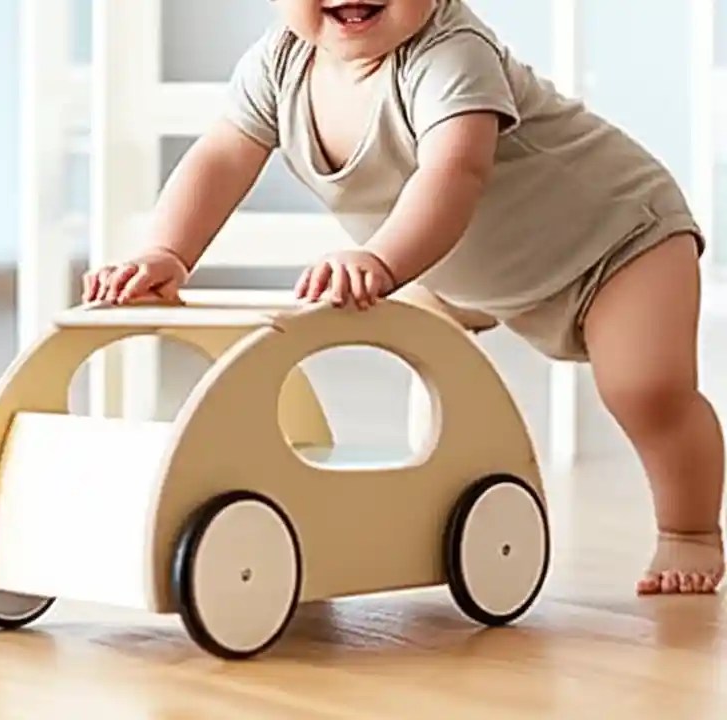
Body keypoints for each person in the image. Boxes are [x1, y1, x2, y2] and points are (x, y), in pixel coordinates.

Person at [81, 0, 724, 595]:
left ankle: (689, 530)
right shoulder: (278, 66)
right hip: (460, 268)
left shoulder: (449, 52)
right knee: (427, 364)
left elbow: (454, 174)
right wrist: (167, 252)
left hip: (613, 241)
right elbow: (219, 158)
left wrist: (381, 260)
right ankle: (436, 501)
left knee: (646, 390)